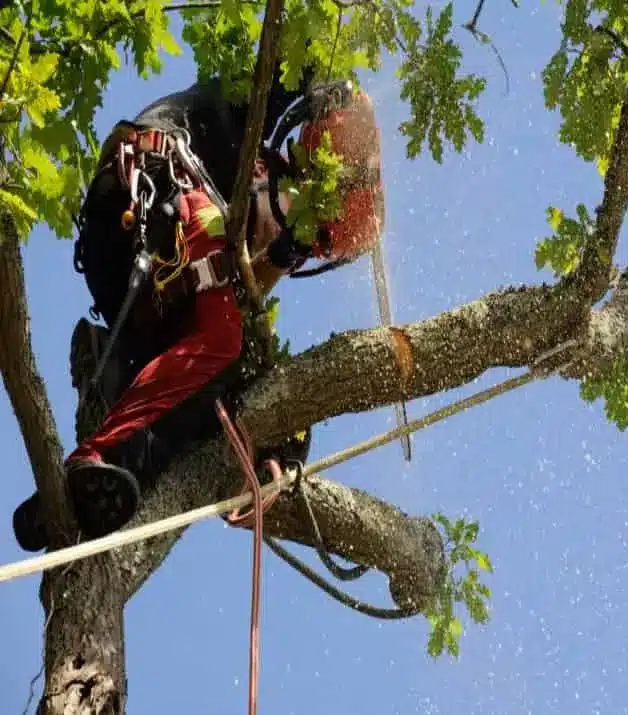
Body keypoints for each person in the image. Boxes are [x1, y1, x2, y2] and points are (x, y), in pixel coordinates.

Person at [13, 65, 386, 549]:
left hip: (132, 269)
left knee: (199, 404)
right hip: (155, 185)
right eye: (314, 236)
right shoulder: (257, 131)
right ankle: (93, 451)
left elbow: (240, 280)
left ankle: (103, 466)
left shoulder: (252, 181)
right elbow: (231, 273)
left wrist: (282, 255)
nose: (304, 243)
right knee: (224, 337)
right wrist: (318, 84)